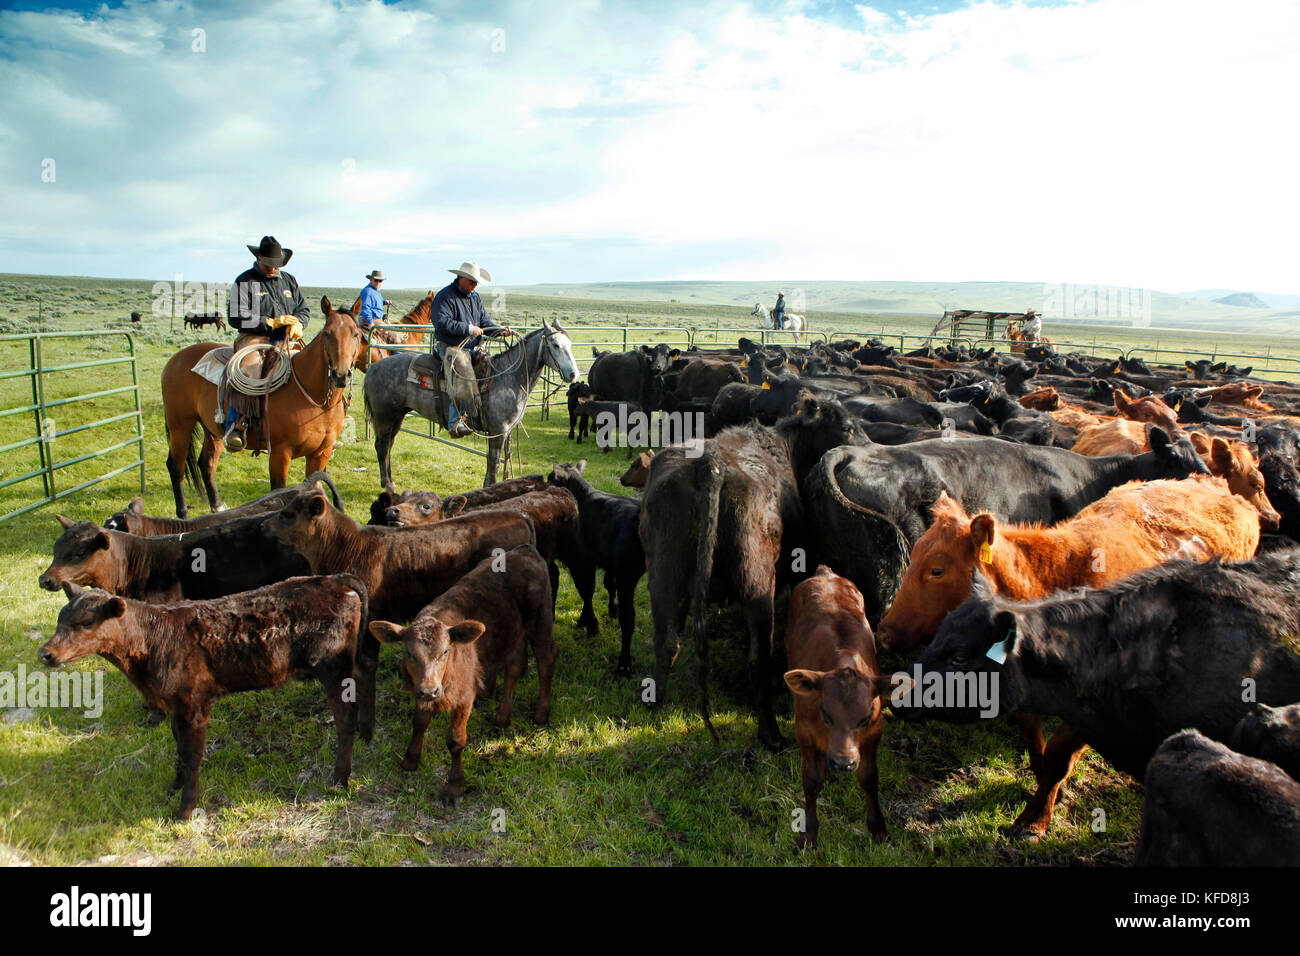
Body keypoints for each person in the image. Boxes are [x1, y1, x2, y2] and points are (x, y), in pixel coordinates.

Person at [222, 236, 310, 451]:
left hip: (286, 338)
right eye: (268, 264)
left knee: (312, 366)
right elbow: (235, 317)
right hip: (254, 337)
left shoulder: (289, 280)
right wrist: (269, 322)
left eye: (276, 265)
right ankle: (238, 424)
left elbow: (303, 309)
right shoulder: (245, 281)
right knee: (248, 368)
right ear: (259, 259)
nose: (272, 269)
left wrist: (299, 324)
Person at [432, 261, 515, 437]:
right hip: (451, 347)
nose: (475, 286)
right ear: (461, 278)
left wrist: (500, 331)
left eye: (476, 283)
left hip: (474, 347)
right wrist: (468, 329)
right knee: (463, 369)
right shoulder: (445, 297)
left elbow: (484, 323)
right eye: (472, 282)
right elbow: (441, 322)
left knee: (492, 369)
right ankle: (456, 421)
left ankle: (484, 414)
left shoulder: (475, 297)